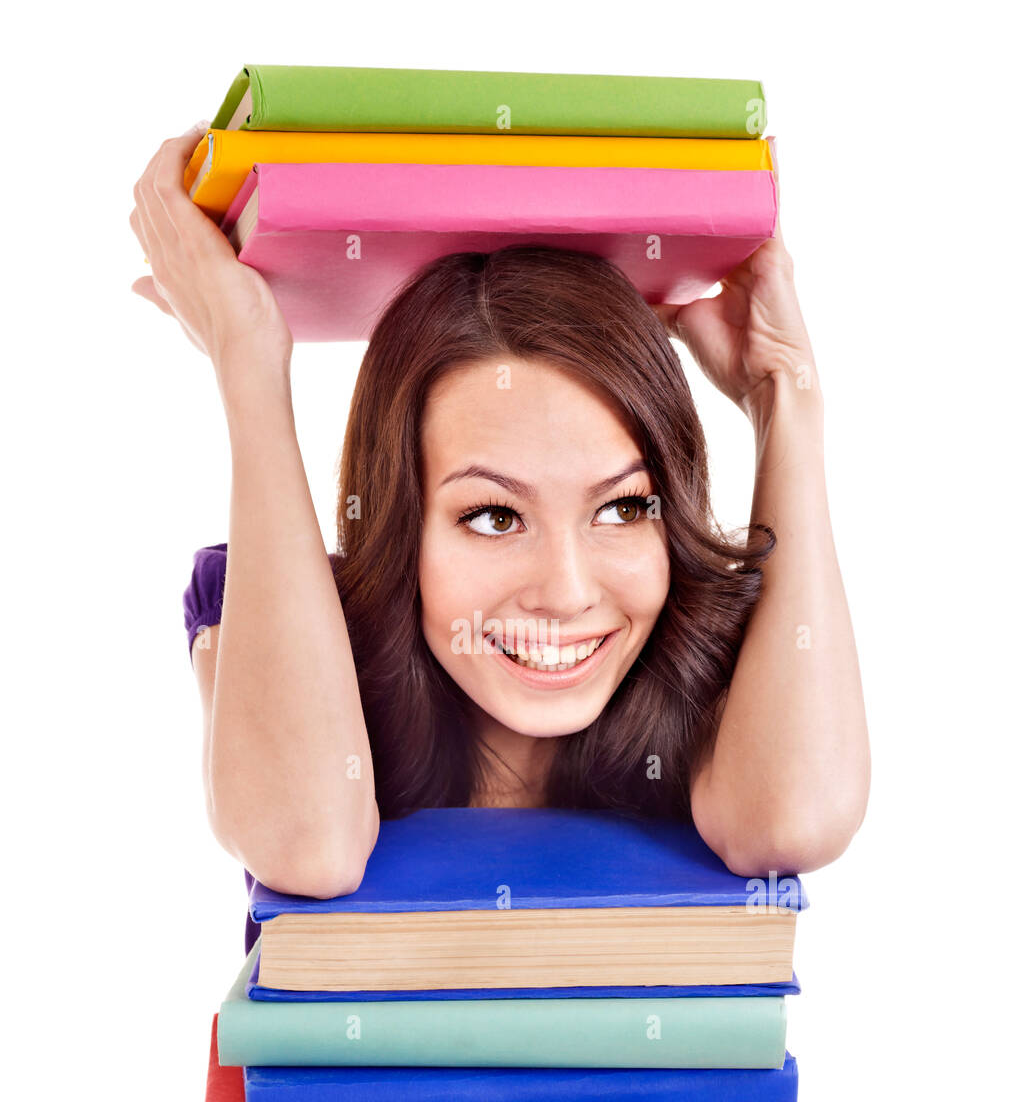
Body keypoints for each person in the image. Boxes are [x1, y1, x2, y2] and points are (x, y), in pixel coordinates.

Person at [131, 126, 870, 910]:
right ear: (400, 521)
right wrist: (246, 360)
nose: (566, 591)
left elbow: (795, 823)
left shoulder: (726, 669)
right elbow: (309, 845)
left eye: (621, 507)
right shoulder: (267, 625)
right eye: (492, 517)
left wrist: (785, 398)